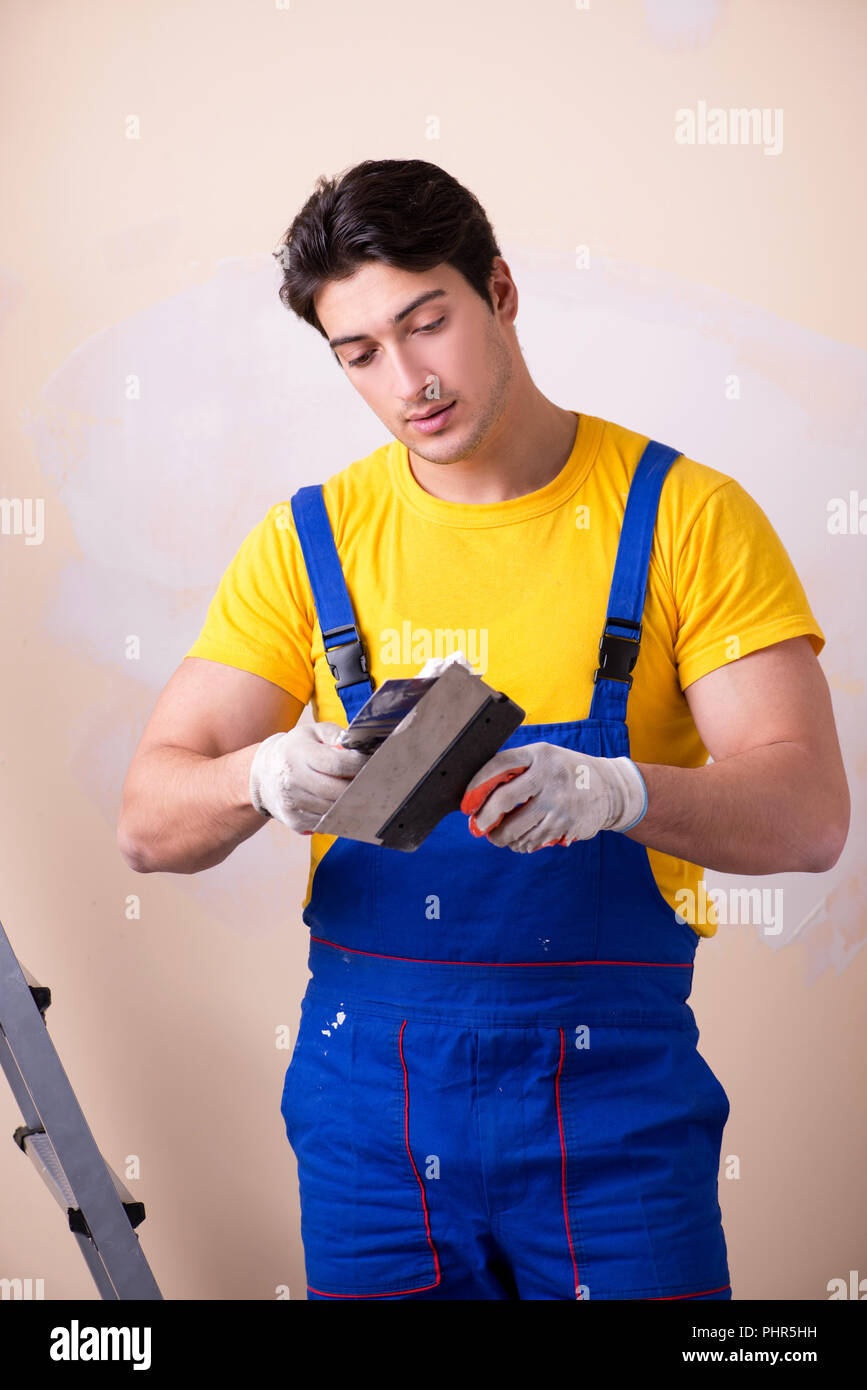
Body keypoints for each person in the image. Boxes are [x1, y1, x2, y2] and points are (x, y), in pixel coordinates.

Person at [117, 159, 850, 1301]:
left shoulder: (686, 519)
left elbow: (808, 816)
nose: (409, 379)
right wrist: (258, 776)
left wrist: (624, 792)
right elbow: (148, 826)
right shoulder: (309, 542)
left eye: (428, 322)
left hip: (615, 1113)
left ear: (499, 291)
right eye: (360, 353)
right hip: (369, 1115)